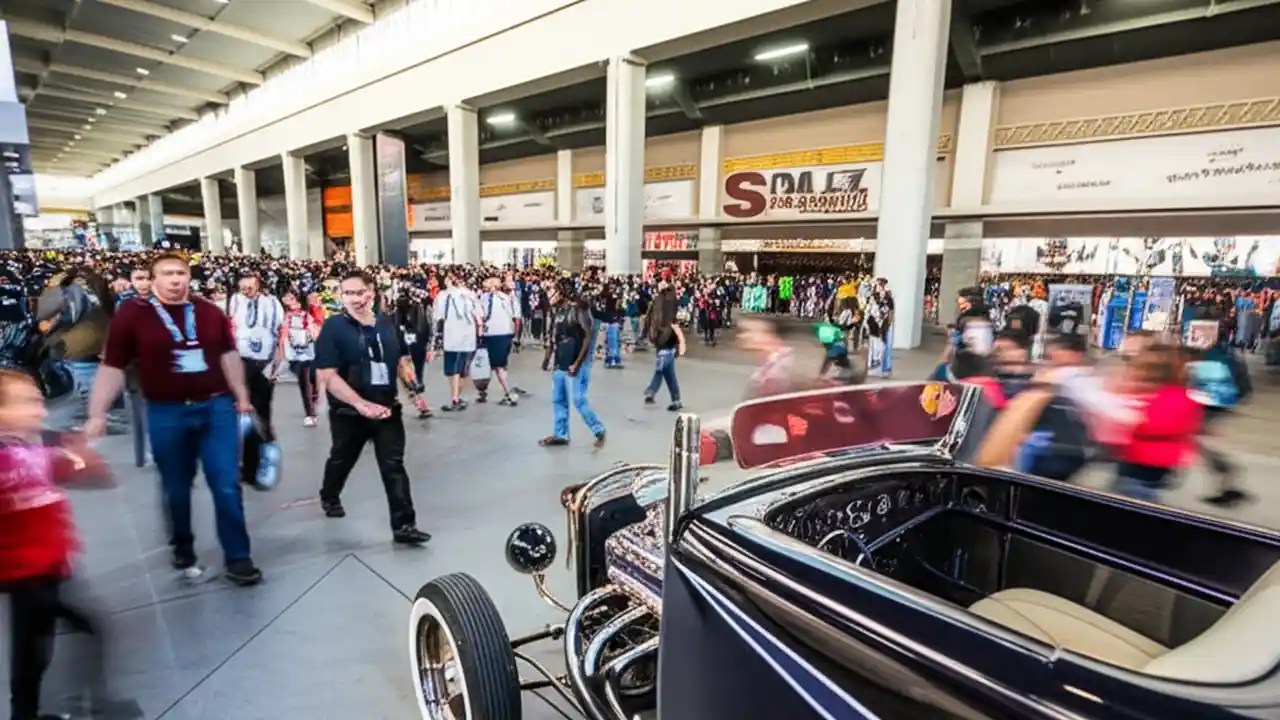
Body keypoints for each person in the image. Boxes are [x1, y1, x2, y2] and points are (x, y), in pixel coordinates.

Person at [87, 253, 263, 586]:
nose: (175, 279)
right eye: (167, 273)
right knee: (176, 487)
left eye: (180, 273)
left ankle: (239, 557)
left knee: (226, 482)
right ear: (153, 279)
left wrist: (241, 396)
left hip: (215, 407)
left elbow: (228, 355)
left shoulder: (209, 312)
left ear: (189, 276)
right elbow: (112, 366)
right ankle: (182, 545)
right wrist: (98, 413)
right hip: (167, 411)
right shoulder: (132, 315)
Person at [0, 372, 143, 720]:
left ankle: (38, 710)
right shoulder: (8, 456)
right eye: (27, 403)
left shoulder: (35, 447)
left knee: (34, 648)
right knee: (58, 640)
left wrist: (84, 463)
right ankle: (90, 705)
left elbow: (72, 468)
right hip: (28, 573)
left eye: (38, 401)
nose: (40, 410)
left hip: (52, 566)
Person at [314, 270, 431, 545]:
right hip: (348, 412)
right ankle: (329, 495)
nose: (354, 299)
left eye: (359, 292)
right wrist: (359, 404)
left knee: (393, 465)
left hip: (387, 409)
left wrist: (414, 390)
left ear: (372, 293)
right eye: (348, 293)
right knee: (342, 458)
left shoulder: (388, 325)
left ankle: (404, 526)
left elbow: (402, 360)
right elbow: (327, 375)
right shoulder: (333, 328)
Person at [227, 274, 285, 487]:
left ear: (257, 285)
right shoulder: (235, 301)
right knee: (242, 415)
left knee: (262, 415)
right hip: (241, 361)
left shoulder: (272, 303)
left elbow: (281, 334)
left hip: (263, 363)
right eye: (242, 287)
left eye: (249, 287)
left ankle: (266, 459)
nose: (246, 291)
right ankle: (245, 465)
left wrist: (275, 366)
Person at [540, 281, 606, 448]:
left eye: (552, 291)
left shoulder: (578, 310)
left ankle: (598, 429)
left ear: (561, 292)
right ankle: (560, 434)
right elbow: (553, 337)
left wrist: (577, 363)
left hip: (576, 360)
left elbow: (587, 337)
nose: (549, 295)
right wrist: (547, 359)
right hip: (561, 360)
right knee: (559, 399)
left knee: (578, 399)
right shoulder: (556, 311)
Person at [432, 272, 477, 411]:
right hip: (469, 336)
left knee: (453, 370)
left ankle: (455, 398)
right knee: (463, 370)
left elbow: (438, 316)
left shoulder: (443, 295)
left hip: (452, 335)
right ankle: (456, 396)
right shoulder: (470, 294)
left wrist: (435, 340)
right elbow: (478, 314)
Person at [280, 288, 321, 426]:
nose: (289, 301)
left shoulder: (309, 313)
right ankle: (310, 412)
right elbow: (283, 334)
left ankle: (312, 406)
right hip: (293, 352)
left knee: (311, 379)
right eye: (287, 298)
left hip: (309, 350)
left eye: (292, 298)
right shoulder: (286, 315)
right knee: (304, 381)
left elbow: (318, 326)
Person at [643, 280, 685, 411]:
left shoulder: (661, 302)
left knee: (661, 369)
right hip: (669, 342)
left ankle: (652, 390)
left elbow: (651, 318)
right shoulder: (671, 303)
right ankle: (676, 400)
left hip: (663, 342)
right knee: (669, 374)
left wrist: (648, 334)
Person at [478, 273, 519, 406]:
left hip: (492, 333)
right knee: (500, 364)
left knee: (495, 366)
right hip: (506, 333)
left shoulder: (486, 298)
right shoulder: (507, 298)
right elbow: (514, 316)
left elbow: (481, 315)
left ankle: (507, 393)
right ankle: (487, 391)